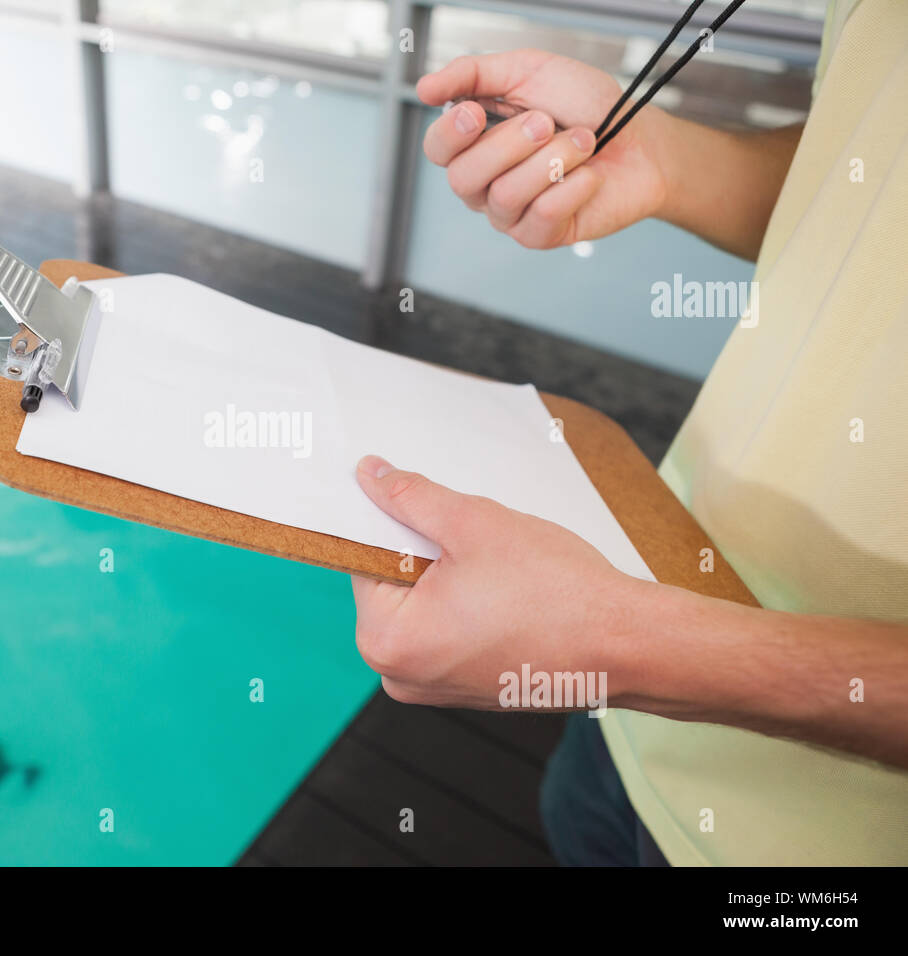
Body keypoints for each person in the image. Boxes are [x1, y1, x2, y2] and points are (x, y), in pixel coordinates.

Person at [350, 0, 908, 866]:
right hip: (644, 683)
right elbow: (863, 176)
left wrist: (631, 646)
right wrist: (659, 159)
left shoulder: (628, 649)